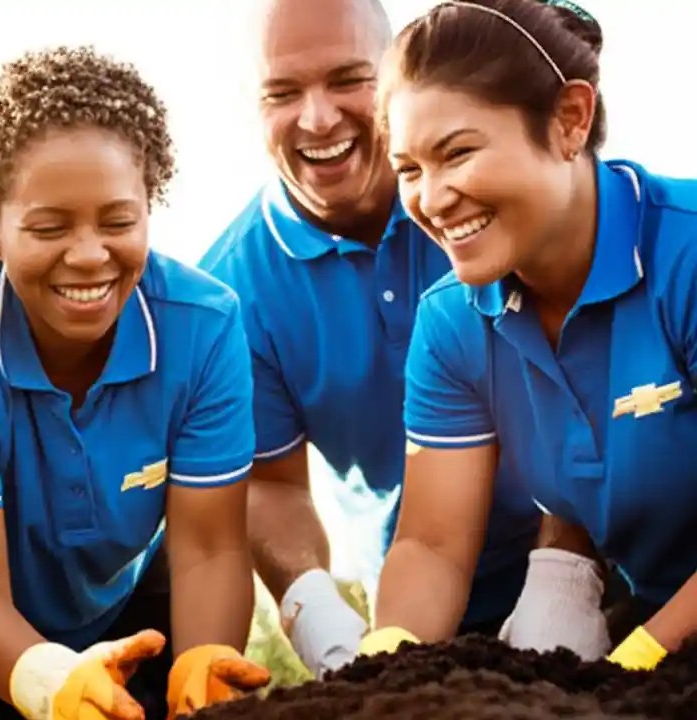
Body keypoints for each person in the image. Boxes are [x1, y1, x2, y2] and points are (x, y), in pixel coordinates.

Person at [0, 45, 271, 720]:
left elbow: (209, 548)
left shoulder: (205, 327)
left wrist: (203, 663)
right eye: (49, 227)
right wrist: (46, 682)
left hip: (123, 609)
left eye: (118, 222)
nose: (89, 255)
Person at [197, 0, 543, 676]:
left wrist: (566, 576)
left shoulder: (490, 204)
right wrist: (313, 607)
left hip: (595, 554)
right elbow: (271, 483)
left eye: (347, 78)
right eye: (283, 92)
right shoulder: (227, 295)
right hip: (418, 599)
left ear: (395, 79)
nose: (318, 117)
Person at [363, 0, 697, 670]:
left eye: (456, 152)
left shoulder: (685, 256)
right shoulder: (451, 323)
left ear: (570, 119)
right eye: (407, 169)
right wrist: (383, 663)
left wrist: (639, 664)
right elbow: (431, 545)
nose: (430, 197)